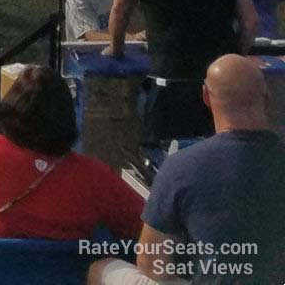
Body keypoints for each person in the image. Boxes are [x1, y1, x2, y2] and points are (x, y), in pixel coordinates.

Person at [88, 56, 285, 285]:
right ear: (266, 99)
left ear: (206, 97)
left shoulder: (181, 166)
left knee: (100, 269)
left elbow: (152, 263)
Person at [106, 0, 258, 159]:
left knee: (161, 159)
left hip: (169, 85)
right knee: (214, 158)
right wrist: (233, 58)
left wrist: (115, 48)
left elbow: (119, 11)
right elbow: (251, 22)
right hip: (217, 86)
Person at [0, 65, 141, 241]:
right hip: (61, 273)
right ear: (65, 119)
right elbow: (143, 225)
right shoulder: (95, 177)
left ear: (10, 109)